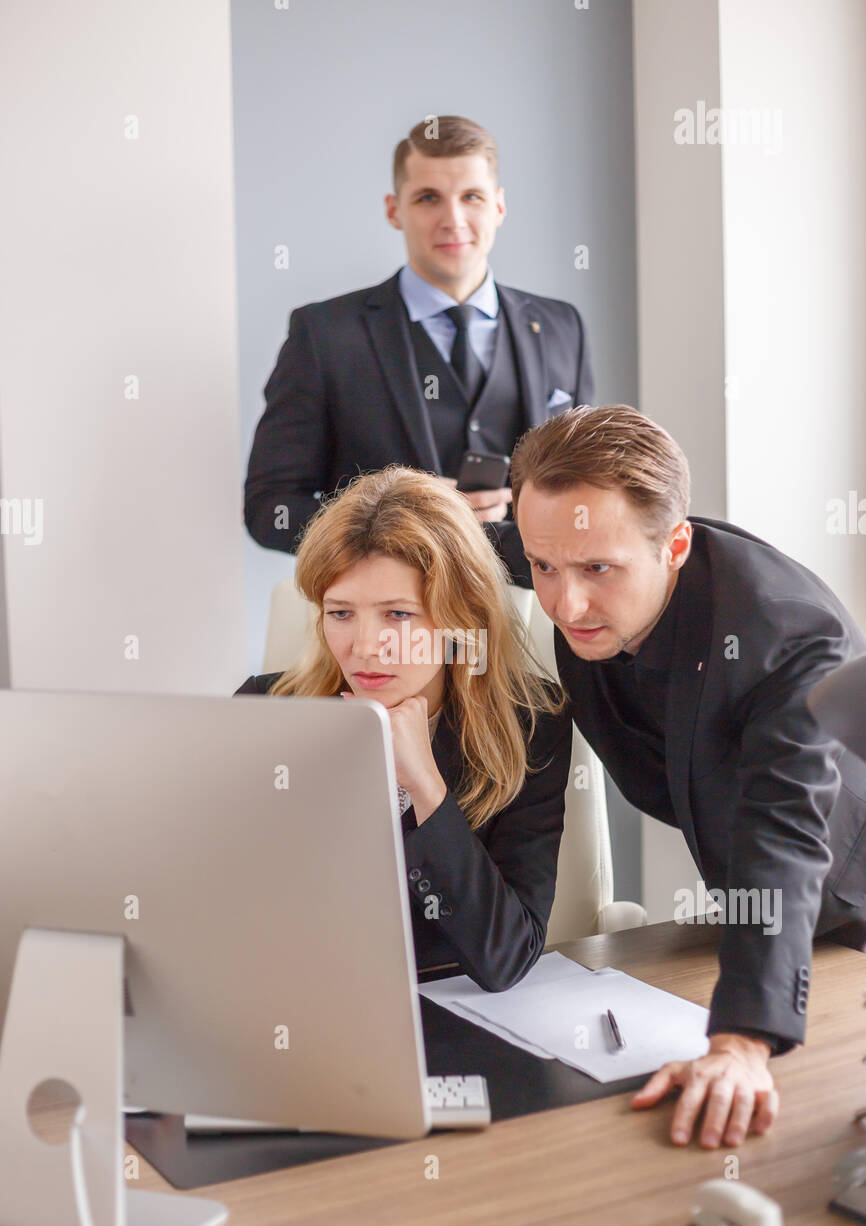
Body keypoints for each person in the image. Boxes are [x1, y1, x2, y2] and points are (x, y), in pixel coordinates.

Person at [487, 403, 866, 1146]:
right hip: (741, 918)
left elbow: (781, 839)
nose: (566, 603)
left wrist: (742, 1044)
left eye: (598, 569)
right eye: (543, 567)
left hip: (844, 916)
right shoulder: (568, 545)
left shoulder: (788, 640)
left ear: (675, 545)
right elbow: (464, 542)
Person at [235, 466, 573, 991]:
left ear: (461, 620)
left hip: (443, 1015)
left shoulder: (532, 724)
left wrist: (425, 787)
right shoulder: (268, 710)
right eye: (341, 613)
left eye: (397, 614)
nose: (365, 646)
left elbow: (505, 957)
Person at [244, 114, 593, 554]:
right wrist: (395, 522)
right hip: (390, 614)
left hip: (539, 611)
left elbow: (587, 490)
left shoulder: (562, 326)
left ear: (499, 206)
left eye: (472, 196)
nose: (453, 219)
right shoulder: (325, 335)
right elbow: (268, 508)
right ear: (394, 210)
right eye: (429, 198)